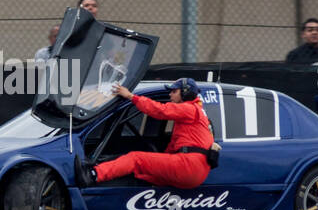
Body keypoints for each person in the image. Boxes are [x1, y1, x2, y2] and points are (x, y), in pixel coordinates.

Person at [76, 78, 215, 190]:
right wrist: (159, 157)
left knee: (135, 159)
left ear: (186, 93)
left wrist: (131, 96)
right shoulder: (195, 113)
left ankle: (93, 175)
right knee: (144, 173)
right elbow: (174, 145)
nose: (170, 94)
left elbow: (159, 110)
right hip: (196, 169)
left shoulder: (188, 109)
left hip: (189, 166)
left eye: (174, 91)